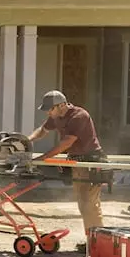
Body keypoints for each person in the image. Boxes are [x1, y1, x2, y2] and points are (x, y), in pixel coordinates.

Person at [28, 90, 105, 236]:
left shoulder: (79, 116)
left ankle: (97, 242)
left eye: (50, 109)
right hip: (77, 161)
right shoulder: (56, 116)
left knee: (90, 205)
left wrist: (43, 158)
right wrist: (27, 140)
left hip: (91, 160)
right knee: (83, 204)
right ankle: (91, 240)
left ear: (61, 105)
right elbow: (42, 130)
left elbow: (66, 143)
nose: (48, 113)